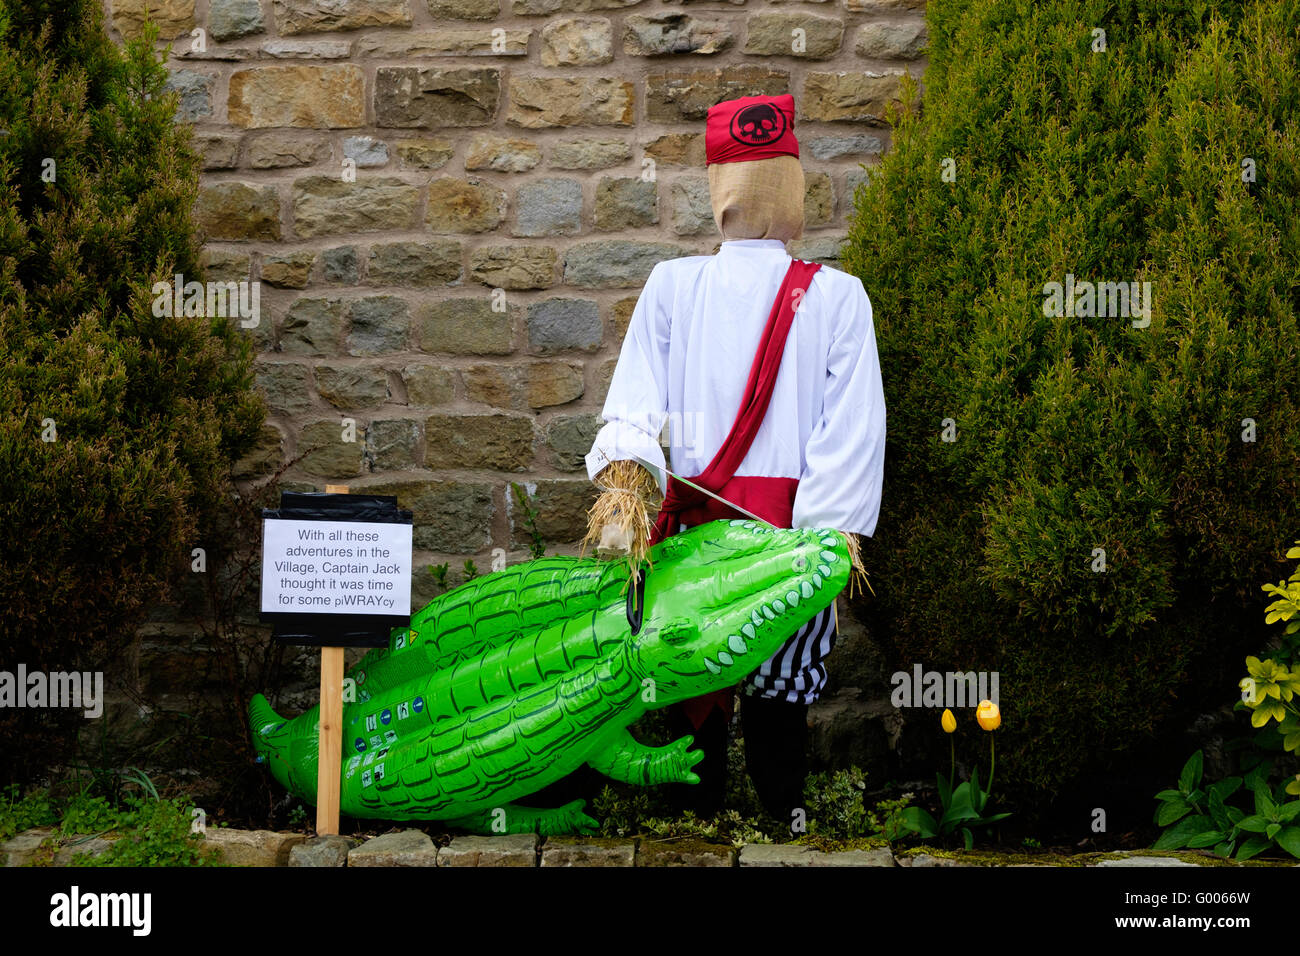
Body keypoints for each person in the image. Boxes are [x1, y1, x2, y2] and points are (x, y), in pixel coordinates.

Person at [583, 93, 886, 827]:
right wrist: (830, 538)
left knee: (695, 676)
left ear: (717, 188)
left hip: (691, 537)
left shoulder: (672, 285)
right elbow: (851, 432)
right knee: (781, 691)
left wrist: (628, 494)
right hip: (790, 532)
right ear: (793, 188)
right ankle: (784, 819)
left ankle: (697, 824)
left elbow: (632, 409)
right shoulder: (839, 298)